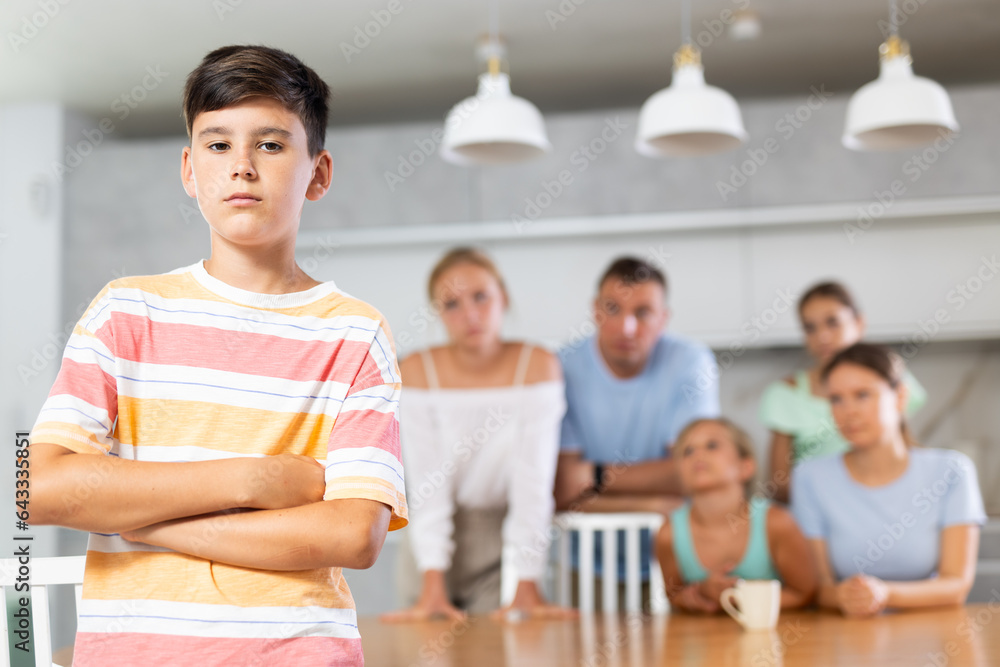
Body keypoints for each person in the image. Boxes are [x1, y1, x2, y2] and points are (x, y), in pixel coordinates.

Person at [27, 45, 407, 666]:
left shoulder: (355, 333)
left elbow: (351, 533)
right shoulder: (124, 312)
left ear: (319, 172)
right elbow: (35, 487)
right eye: (218, 144)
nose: (242, 167)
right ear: (188, 168)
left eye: (272, 144)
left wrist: (149, 521)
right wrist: (254, 480)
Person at [382, 248, 575, 621]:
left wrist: (528, 584)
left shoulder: (538, 366)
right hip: (429, 550)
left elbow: (532, 486)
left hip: (503, 543)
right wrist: (433, 588)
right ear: (438, 314)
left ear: (503, 296)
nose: (470, 314)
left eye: (481, 297)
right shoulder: (419, 371)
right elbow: (428, 486)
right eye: (452, 304)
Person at [792, 343, 985, 617]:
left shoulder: (952, 471)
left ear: (900, 397)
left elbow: (956, 585)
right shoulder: (809, 477)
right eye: (836, 399)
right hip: (849, 640)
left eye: (862, 395)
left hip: (933, 638)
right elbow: (819, 588)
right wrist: (841, 596)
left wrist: (884, 594)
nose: (849, 411)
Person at [554, 257, 720, 513]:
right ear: (596, 311)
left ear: (663, 319)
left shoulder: (690, 362)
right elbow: (562, 489)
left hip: (670, 547)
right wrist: (651, 504)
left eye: (643, 313)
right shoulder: (559, 367)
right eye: (613, 309)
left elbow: (696, 472)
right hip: (581, 547)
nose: (627, 328)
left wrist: (595, 476)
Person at [759, 281, 926, 503]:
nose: (823, 337)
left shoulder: (892, 379)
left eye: (833, 322)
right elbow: (780, 485)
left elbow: (904, 445)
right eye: (810, 328)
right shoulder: (786, 394)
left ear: (859, 323)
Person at [656, 418, 817, 613]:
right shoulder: (668, 534)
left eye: (712, 445)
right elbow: (675, 596)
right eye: (687, 451)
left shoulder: (776, 524)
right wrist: (700, 594)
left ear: (746, 466)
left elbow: (806, 593)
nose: (697, 455)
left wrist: (740, 601)